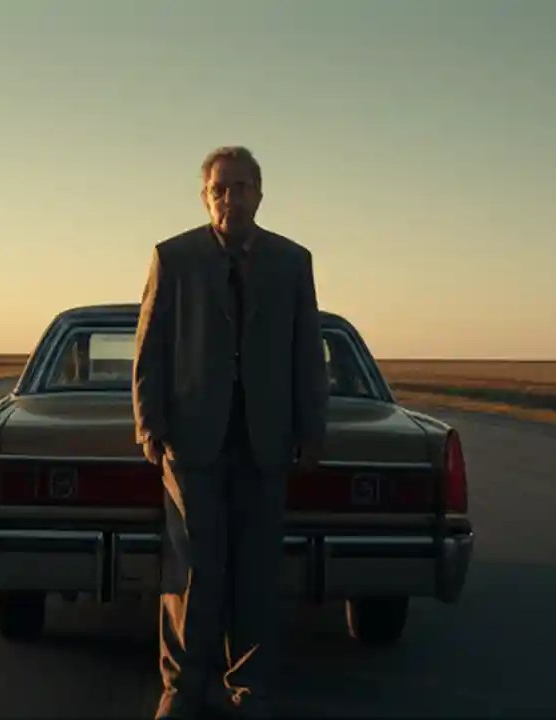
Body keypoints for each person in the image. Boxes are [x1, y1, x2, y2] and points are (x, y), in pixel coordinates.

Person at [132, 146, 330, 719]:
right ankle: (182, 688)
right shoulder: (174, 258)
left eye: (241, 187)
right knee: (192, 569)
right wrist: (150, 428)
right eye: (220, 189)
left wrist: (311, 427)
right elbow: (149, 350)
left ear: (260, 193)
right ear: (205, 196)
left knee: (257, 570)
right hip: (192, 441)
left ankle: (248, 688)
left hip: (266, 441)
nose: (230, 198)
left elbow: (305, 354)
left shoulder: (293, 262)